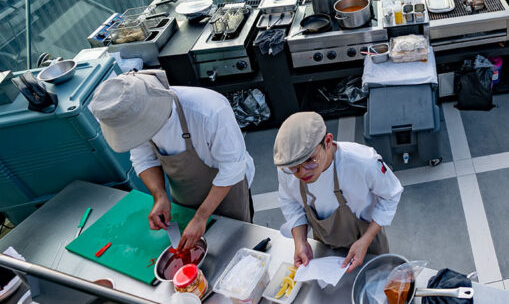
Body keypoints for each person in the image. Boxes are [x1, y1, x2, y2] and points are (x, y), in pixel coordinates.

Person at [90, 70, 255, 250]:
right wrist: (160, 196)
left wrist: (201, 216)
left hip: (228, 191)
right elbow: (143, 158)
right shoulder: (132, 116)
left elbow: (232, 167)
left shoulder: (209, 110)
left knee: (238, 245)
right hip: (185, 194)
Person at [274, 112, 403, 272]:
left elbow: (391, 195)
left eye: (310, 160)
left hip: (368, 241)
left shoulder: (363, 162)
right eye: (294, 168)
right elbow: (290, 202)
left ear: (328, 141)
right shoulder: (287, 167)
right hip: (324, 243)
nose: (302, 172)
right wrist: (300, 241)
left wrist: (366, 239)